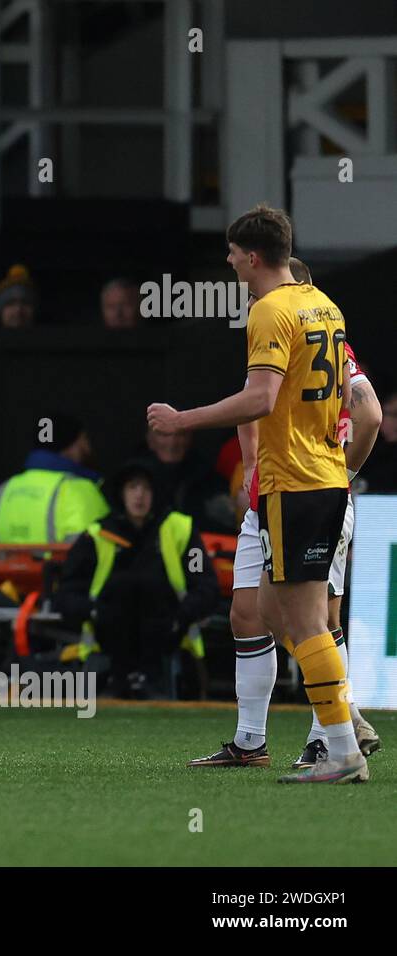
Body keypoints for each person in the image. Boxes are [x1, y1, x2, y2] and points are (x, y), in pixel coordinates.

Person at [148, 204, 366, 783]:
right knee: (269, 612)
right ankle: (339, 725)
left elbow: (261, 398)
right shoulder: (323, 304)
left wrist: (182, 420)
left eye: (231, 253)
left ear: (251, 256)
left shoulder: (270, 311)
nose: (227, 262)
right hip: (322, 476)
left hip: (294, 483)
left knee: (305, 624)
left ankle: (342, 744)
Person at [189, 256, 381, 770]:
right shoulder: (271, 332)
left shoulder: (320, 341)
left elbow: (371, 413)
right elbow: (255, 405)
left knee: (315, 618)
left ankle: (332, 733)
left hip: (308, 492)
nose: (254, 302)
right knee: (252, 614)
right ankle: (252, 741)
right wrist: (252, 465)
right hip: (271, 499)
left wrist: (343, 474)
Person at [55, 460, 218, 698]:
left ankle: (151, 678)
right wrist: (93, 611)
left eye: (146, 488)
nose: (139, 496)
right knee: (123, 587)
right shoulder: (97, 534)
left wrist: (181, 616)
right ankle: (121, 678)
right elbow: (67, 592)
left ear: (157, 492)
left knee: (149, 586)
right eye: (132, 487)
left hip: (168, 639)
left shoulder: (180, 529)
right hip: (108, 642)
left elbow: (206, 587)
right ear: (121, 493)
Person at [0, 415, 109, 544]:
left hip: (3, 569)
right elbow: (96, 550)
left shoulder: (3, 490)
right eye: (83, 439)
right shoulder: (80, 489)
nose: (87, 446)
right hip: (60, 569)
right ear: (69, 446)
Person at [141, 427, 235, 533]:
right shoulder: (132, 477)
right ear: (149, 439)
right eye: (164, 435)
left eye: (180, 435)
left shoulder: (207, 478)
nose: (172, 442)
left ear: (190, 439)